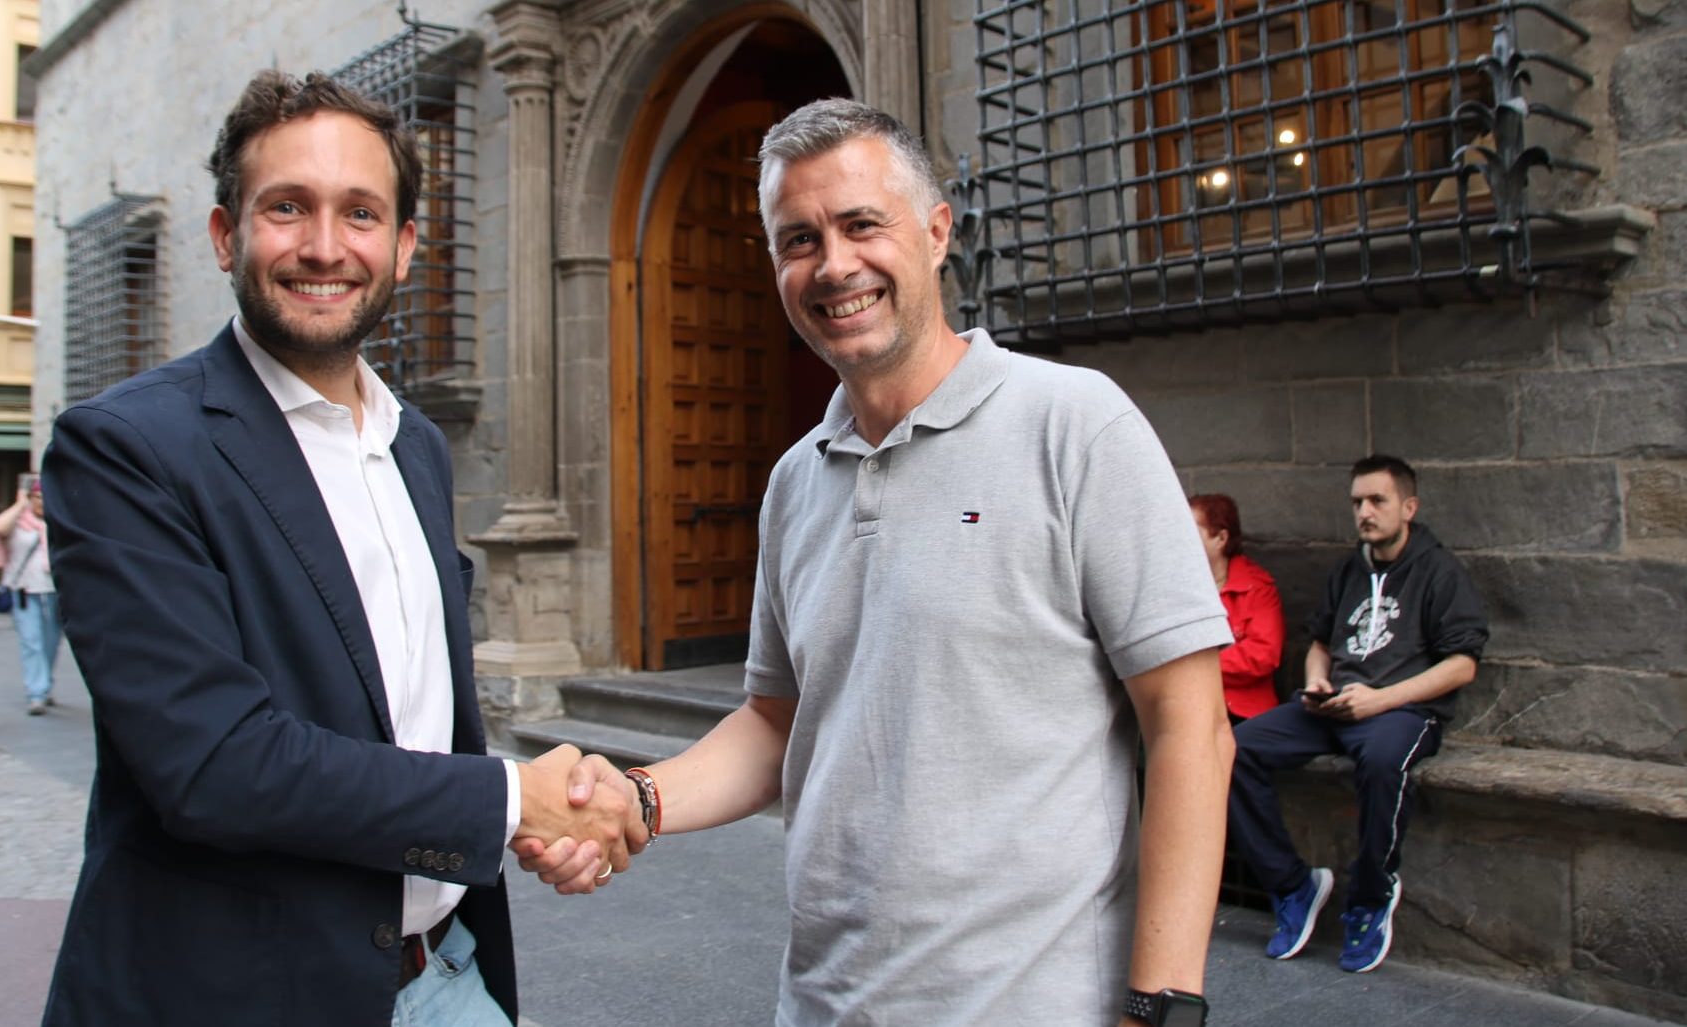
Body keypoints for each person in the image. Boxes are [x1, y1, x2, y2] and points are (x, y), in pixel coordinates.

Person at [525, 99, 1235, 1027]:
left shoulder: (1075, 423)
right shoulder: (792, 481)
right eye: (798, 239)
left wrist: (1164, 1004)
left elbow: (1190, 725)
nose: (834, 265)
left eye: (863, 224)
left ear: (937, 232)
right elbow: (780, 721)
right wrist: (638, 797)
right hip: (825, 1002)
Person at [36, 70, 638, 1026]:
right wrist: (510, 803)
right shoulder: (126, 448)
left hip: (446, 976)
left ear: (403, 247)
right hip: (238, 998)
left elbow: (416, 718)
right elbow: (214, 763)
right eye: (288, 207)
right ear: (226, 234)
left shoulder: (417, 446)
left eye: (360, 213)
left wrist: (522, 823)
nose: (324, 246)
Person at [1226, 454, 1488, 974]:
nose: (1364, 512)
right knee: (1234, 747)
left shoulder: (1440, 571)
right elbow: (1320, 642)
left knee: (1382, 764)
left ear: (1408, 507)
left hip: (1404, 712)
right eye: (1357, 502)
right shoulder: (1349, 568)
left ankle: (1371, 898)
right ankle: (1293, 886)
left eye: (1377, 501)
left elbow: (1462, 666)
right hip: (1337, 706)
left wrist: (1383, 698)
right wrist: (1315, 681)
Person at [1189, 493, 1284, 722]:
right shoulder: (1176, 586)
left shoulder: (1256, 586)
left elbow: (1263, 654)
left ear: (1221, 538)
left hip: (1243, 712)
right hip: (1190, 706)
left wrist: (1199, 665)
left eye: (1190, 531)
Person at [0, 480, 60, 715]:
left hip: (54, 591)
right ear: (30, 498)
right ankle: (36, 693)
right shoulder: (19, 523)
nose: (42, 502)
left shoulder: (58, 521)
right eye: (37, 497)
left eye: (46, 497)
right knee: (31, 642)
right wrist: (20, 504)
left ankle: (45, 683)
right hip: (23, 590)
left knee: (50, 643)